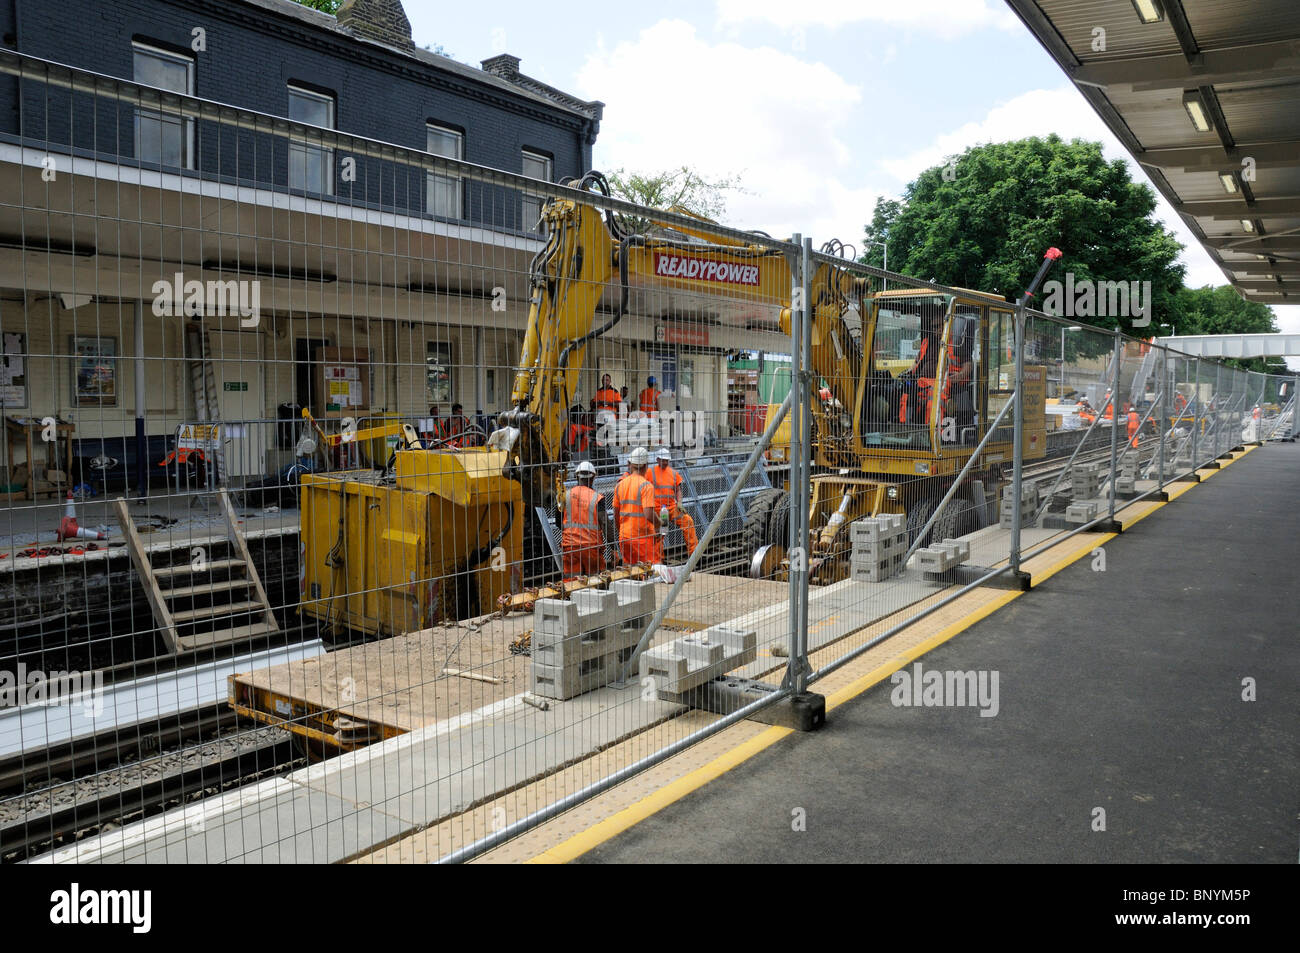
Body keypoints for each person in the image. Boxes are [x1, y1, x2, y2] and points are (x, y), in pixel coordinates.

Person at [561, 460, 612, 576]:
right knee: (595, 585)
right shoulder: (597, 498)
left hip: (570, 548)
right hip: (591, 549)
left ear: (576, 476)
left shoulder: (565, 496)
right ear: (593, 477)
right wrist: (613, 547)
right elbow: (605, 524)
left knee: (573, 586)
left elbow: (559, 522)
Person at [613, 446, 660, 565]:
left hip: (625, 537)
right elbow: (649, 514)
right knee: (649, 571)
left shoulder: (620, 485)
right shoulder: (646, 486)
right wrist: (659, 523)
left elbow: (616, 514)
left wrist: (621, 531)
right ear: (646, 466)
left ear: (630, 464)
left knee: (630, 572)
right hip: (642, 538)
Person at [647, 447, 698, 556]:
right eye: (663, 460)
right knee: (660, 533)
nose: (665, 462)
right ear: (657, 459)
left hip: (672, 508)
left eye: (667, 460)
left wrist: (679, 503)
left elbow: (678, 490)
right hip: (659, 511)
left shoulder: (674, 473)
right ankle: (659, 560)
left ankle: (694, 554)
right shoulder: (650, 472)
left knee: (688, 522)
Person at [898, 305, 941, 426]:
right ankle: (904, 425)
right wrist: (908, 373)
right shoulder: (927, 342)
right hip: (920, 382)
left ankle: (929, 430)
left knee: (929, 396)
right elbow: (917, 361)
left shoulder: (950, 343)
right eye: (934, 327)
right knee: (903, 389)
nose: (937, 330)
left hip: (935, 383)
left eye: (939, 326)